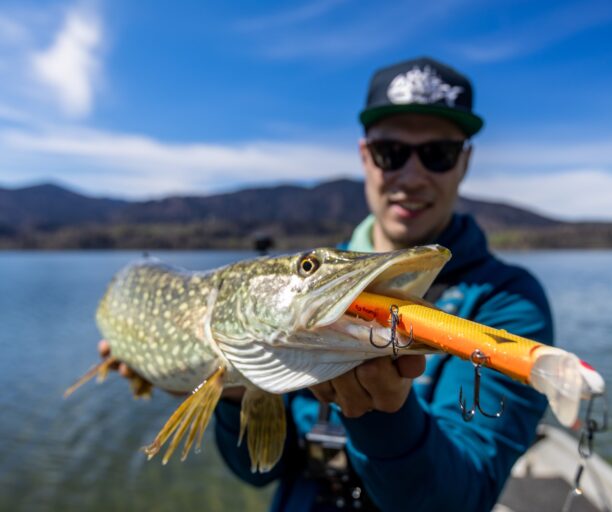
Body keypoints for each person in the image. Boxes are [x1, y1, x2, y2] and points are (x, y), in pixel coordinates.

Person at [102, 56, 554, 512]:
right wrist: (232, 392)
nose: (412, 176)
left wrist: (386, 418)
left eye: (438, 154)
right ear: (366, 157)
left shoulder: (508, 305)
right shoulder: (298, 306)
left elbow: (462, 499)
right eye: (391, 153)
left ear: (466, 162)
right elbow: (260, 470)